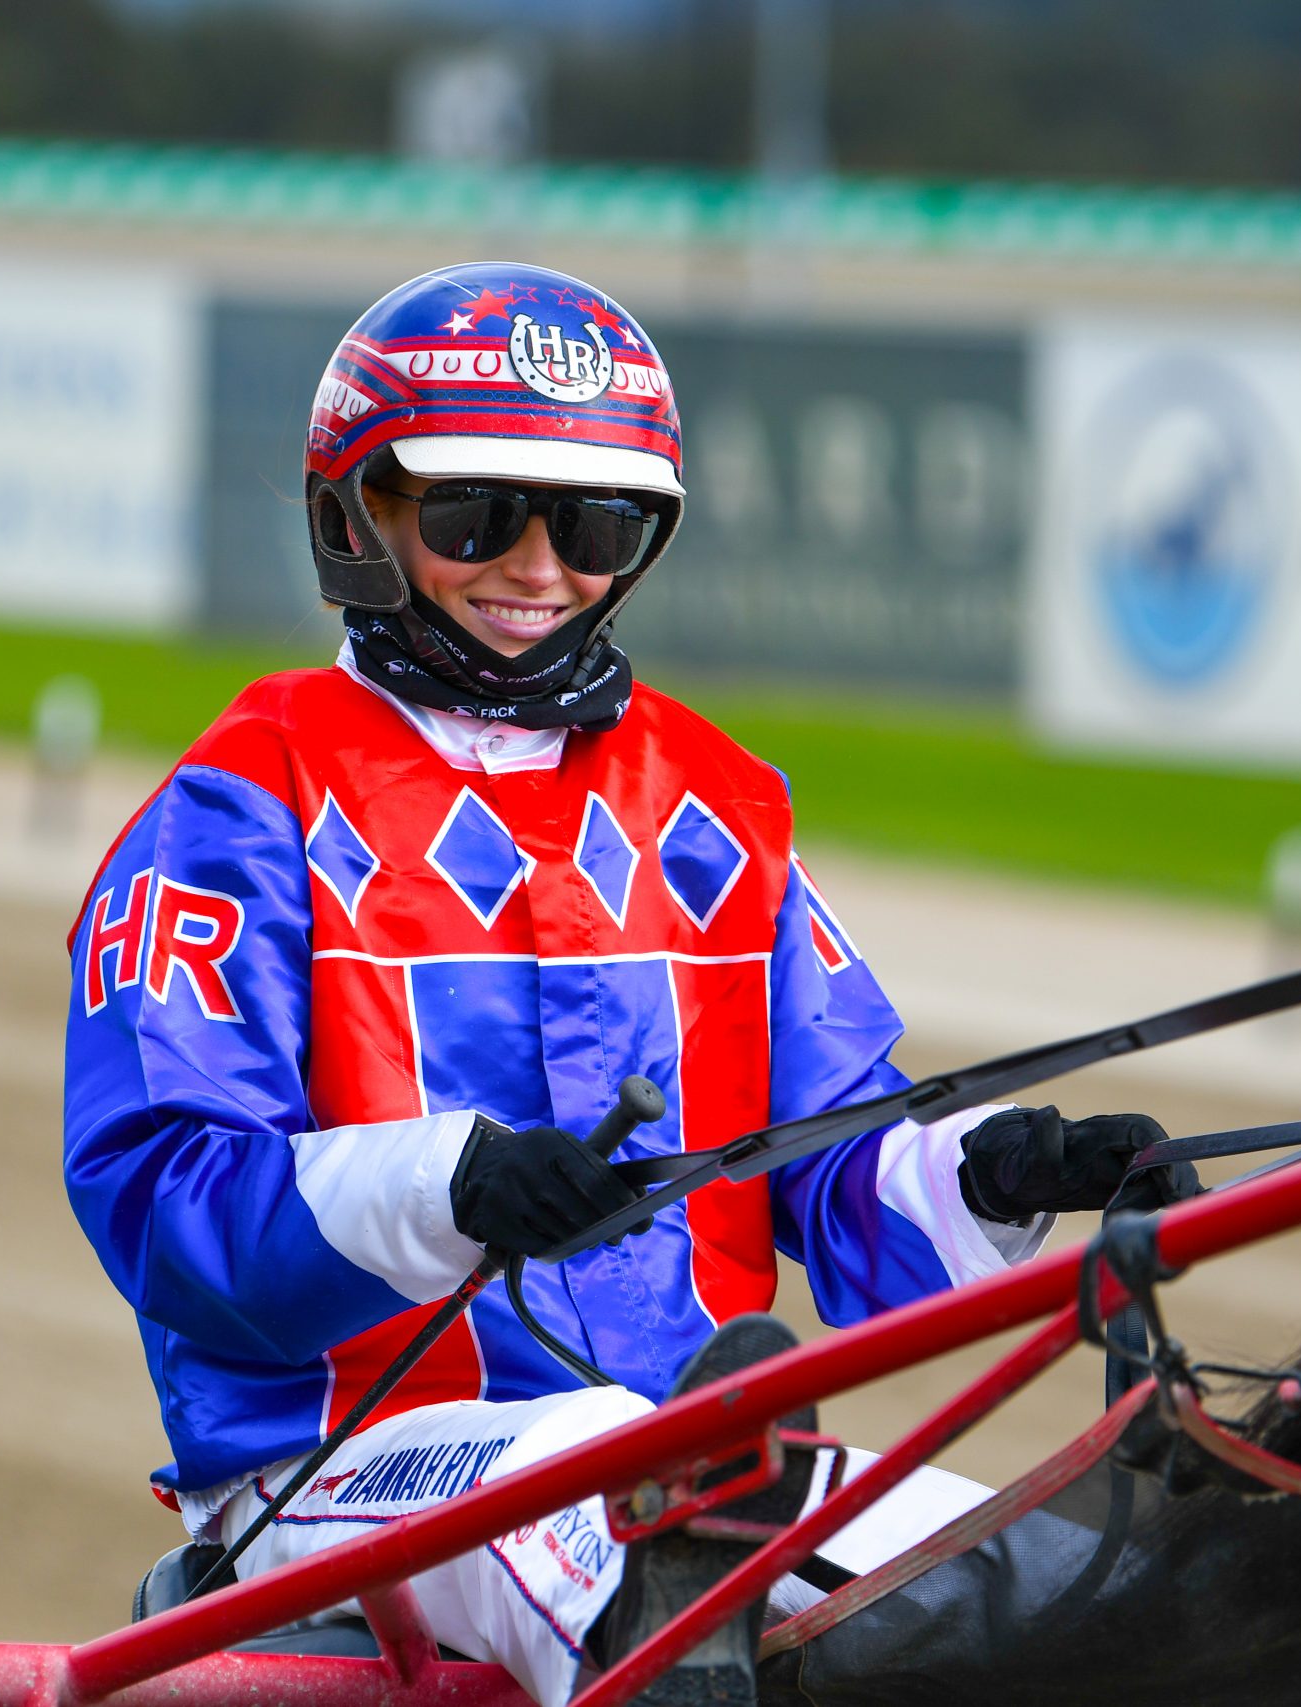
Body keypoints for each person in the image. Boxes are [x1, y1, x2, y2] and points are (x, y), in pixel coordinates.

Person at [62, 262, 1195, 1706]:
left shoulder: (719, 806)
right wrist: (449, 1187)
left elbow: (835, 1183)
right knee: (603, 1493)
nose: (538, 567)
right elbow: (164, 1202)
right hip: (334, 1480)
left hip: (698, 1469)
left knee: (1042, 1591)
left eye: (594, 523)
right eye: (477, 514)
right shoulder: (239, 809)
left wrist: (999, 1174)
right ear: (361, 513)